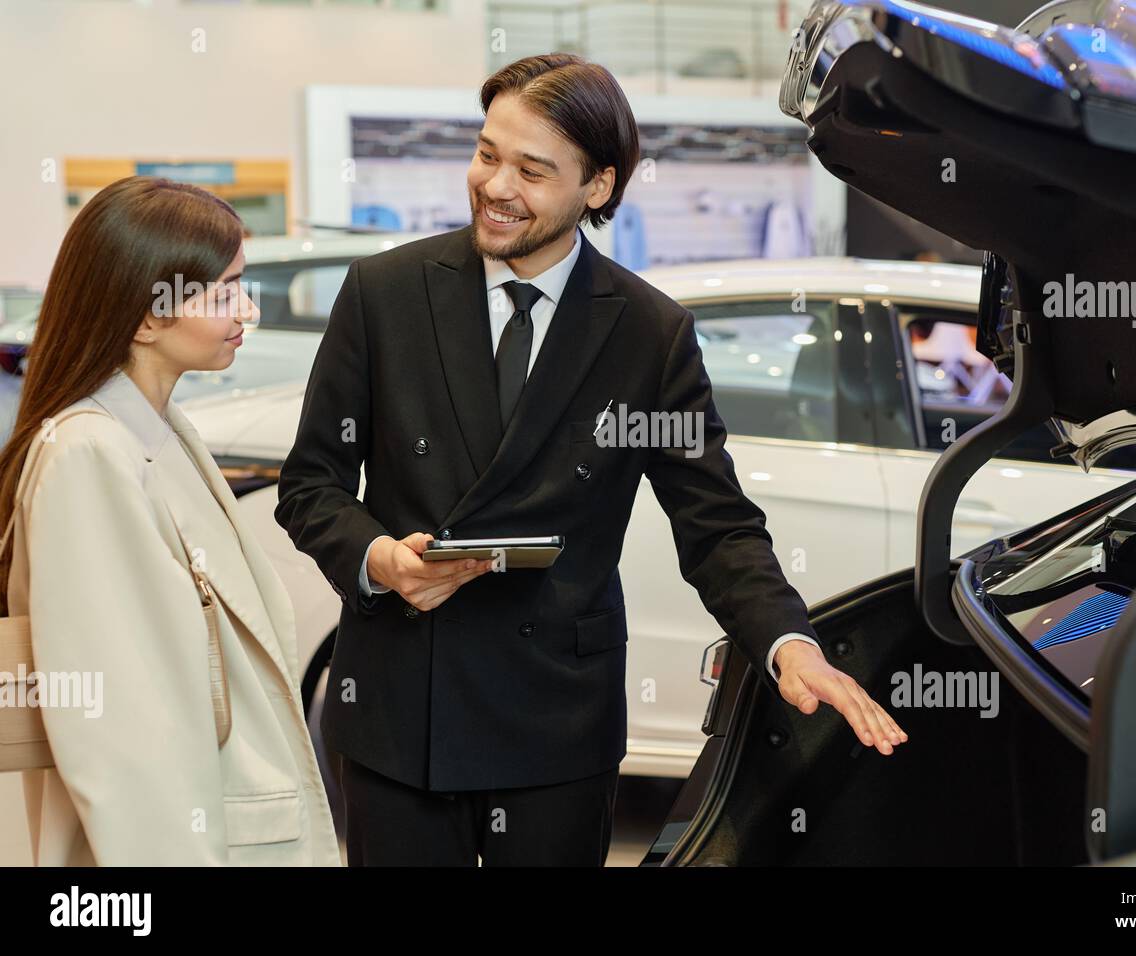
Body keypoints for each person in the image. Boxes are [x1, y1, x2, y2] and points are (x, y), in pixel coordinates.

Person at [275, 53, 906, 867]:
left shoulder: (647, 335)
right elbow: (312, 482)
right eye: (487, 153)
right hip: (402, 708)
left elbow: (715, 528)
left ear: (598, 187)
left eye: (532, 170)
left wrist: (790, 644)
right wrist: (376, 558)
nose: (496, 185)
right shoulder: (384, 293)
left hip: (555, 729)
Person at [0, 176, 340, 866]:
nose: (247, 311)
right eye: (224, 292)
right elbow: (122, 726)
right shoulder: (91, 455)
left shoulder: (158, 430)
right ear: (147, 315)